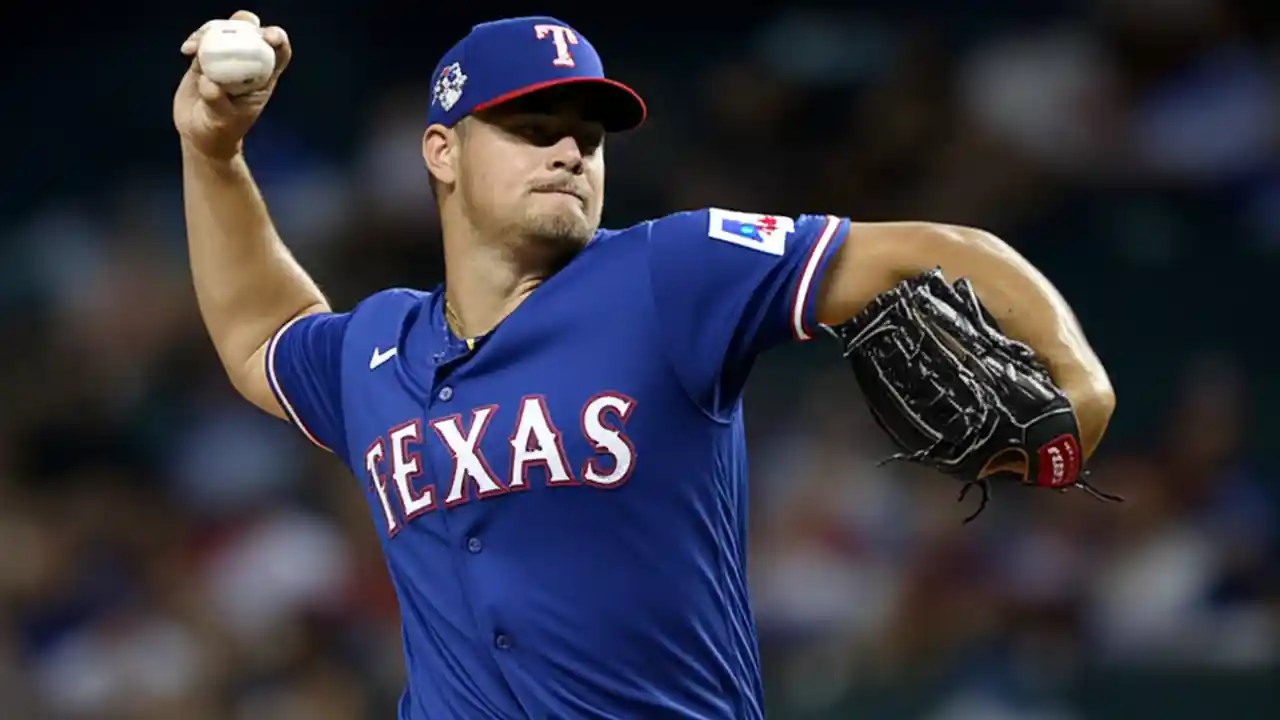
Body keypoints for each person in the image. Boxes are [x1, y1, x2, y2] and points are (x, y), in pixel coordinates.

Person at [174, 10, 1116, 720]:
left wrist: (1078, 378)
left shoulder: (669, 269)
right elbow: (262, 334)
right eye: (532, 128)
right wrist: (213, 153)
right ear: (442, 153)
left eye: (586, 135)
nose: (569, 152)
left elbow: (923, 249)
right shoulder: (377, 347)